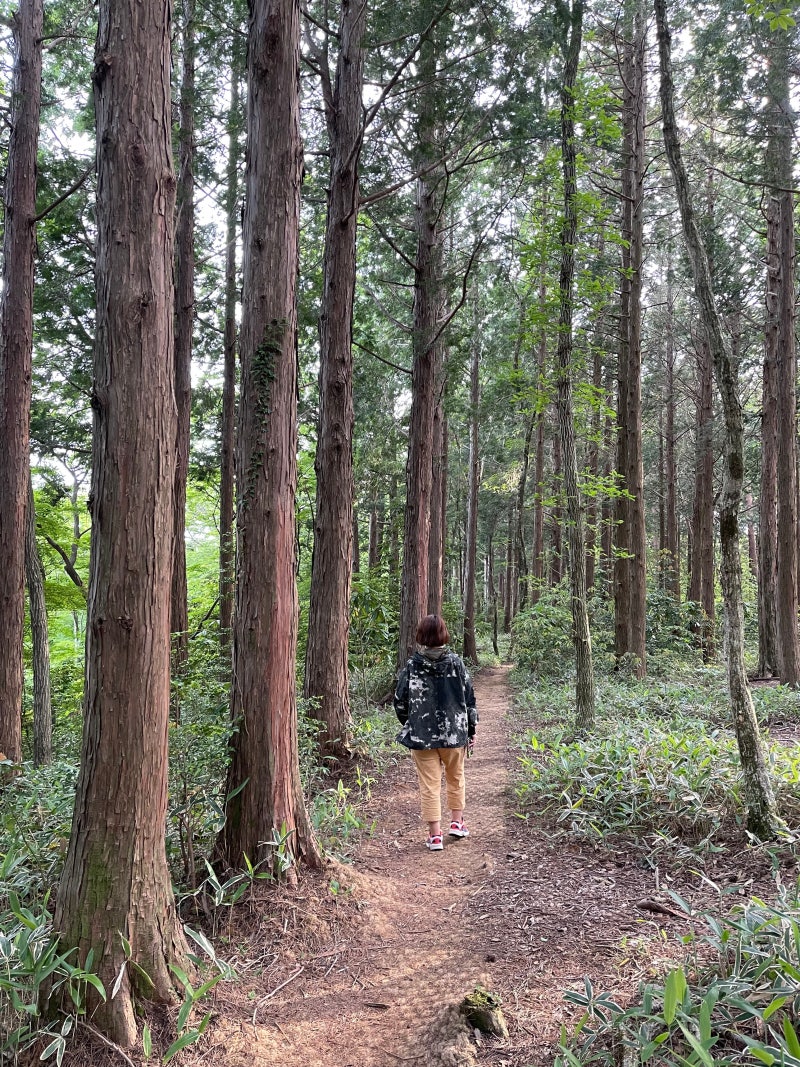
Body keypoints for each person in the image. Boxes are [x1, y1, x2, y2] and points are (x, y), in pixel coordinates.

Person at [394, 614, 478, 851]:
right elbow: (469, 698)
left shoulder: (412, 666)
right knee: (456, 777)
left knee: (429, 784)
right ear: (443, 634)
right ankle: (457, 823)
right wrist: (471, 729)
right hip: (455, 734)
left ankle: (435, 836)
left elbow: (400, 701)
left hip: (422, 736)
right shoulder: (456, 663)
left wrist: (412, 723)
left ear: (421, 635)